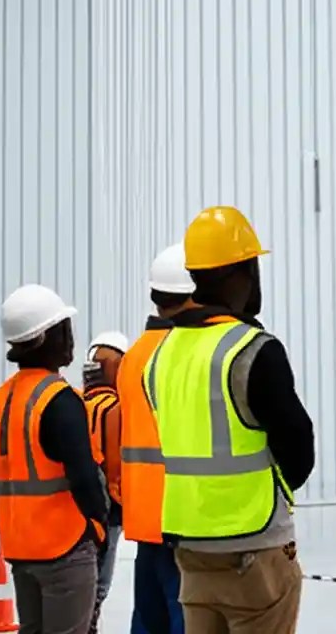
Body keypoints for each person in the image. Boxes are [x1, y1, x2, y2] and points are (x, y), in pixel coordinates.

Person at [143, 207, 315, 633]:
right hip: (254, 549)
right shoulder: (253, 350)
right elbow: (298, 446)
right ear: (241, 274)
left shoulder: (161, 354)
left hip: (192, 549)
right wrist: (266, 492)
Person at [0, 284, 110, 634]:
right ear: (47, 337)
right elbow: (83, 477)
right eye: (64, 329)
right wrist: (100, 526)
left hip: (21, 548)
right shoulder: (60, 400)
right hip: (64, 548)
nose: (71, 338)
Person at [117, 243, 197, 634]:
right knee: (183, 617)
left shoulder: (132, 356)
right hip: (180, 516)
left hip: (144, 516)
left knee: (148, 621)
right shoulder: (181, 355)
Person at [81, 330, 128, 634]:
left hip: (78, 507)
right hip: (109, 510)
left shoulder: (73, 403)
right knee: (99, 584)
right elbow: (117, 466)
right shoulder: (115, 409)